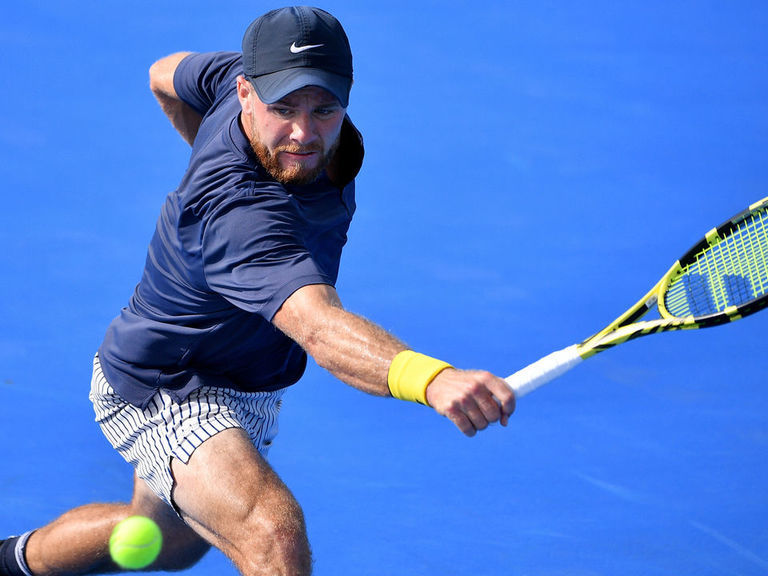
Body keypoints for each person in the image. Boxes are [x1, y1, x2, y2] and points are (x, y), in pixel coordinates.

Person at [0, 6, 515, 576]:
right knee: (272, 534)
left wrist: (201, 149)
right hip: (170, 382)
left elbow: (162, 73)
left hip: (246, 375)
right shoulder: (240, 217)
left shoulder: (231, 82)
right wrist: (433, 378)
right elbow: (318, 327)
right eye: (282, 110)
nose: (302, 132)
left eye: (324, 109)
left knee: (157, 541)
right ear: (246, 93)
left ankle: (12, 561)